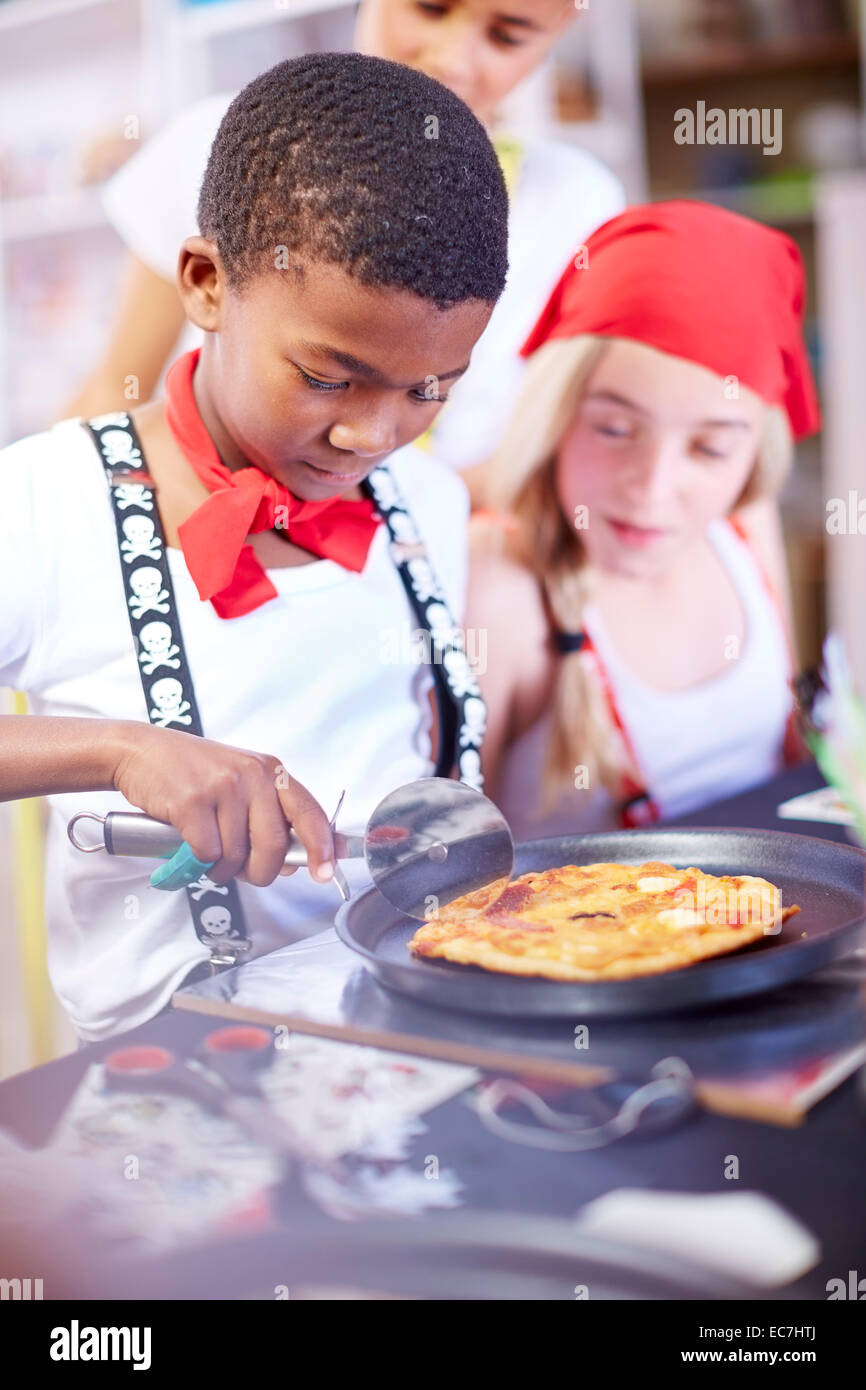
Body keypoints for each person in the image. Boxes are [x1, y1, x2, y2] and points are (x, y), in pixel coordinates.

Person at [0, 53, 509, 1043]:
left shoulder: (429, 502)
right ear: (203, 282)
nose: (374, 435)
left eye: (428, 388)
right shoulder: (46, 501)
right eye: (328, 375)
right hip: (176, 1085)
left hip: (419, 1039)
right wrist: (118, 750)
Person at [66, 0, 625, 489]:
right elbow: (117, 383)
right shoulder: (220, 142)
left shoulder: (578, 204)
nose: (452, 58)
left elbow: (544, 444)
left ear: (563, 24)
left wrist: (402, 524)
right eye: (429, 7)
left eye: (508, 36)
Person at [467, 200, 819, 840]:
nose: (653, 490)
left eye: (710, 449)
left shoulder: (744, 530)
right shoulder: (502, 586)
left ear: (754, 458)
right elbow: (443, 872)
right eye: (614, 429)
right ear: (555, 416)